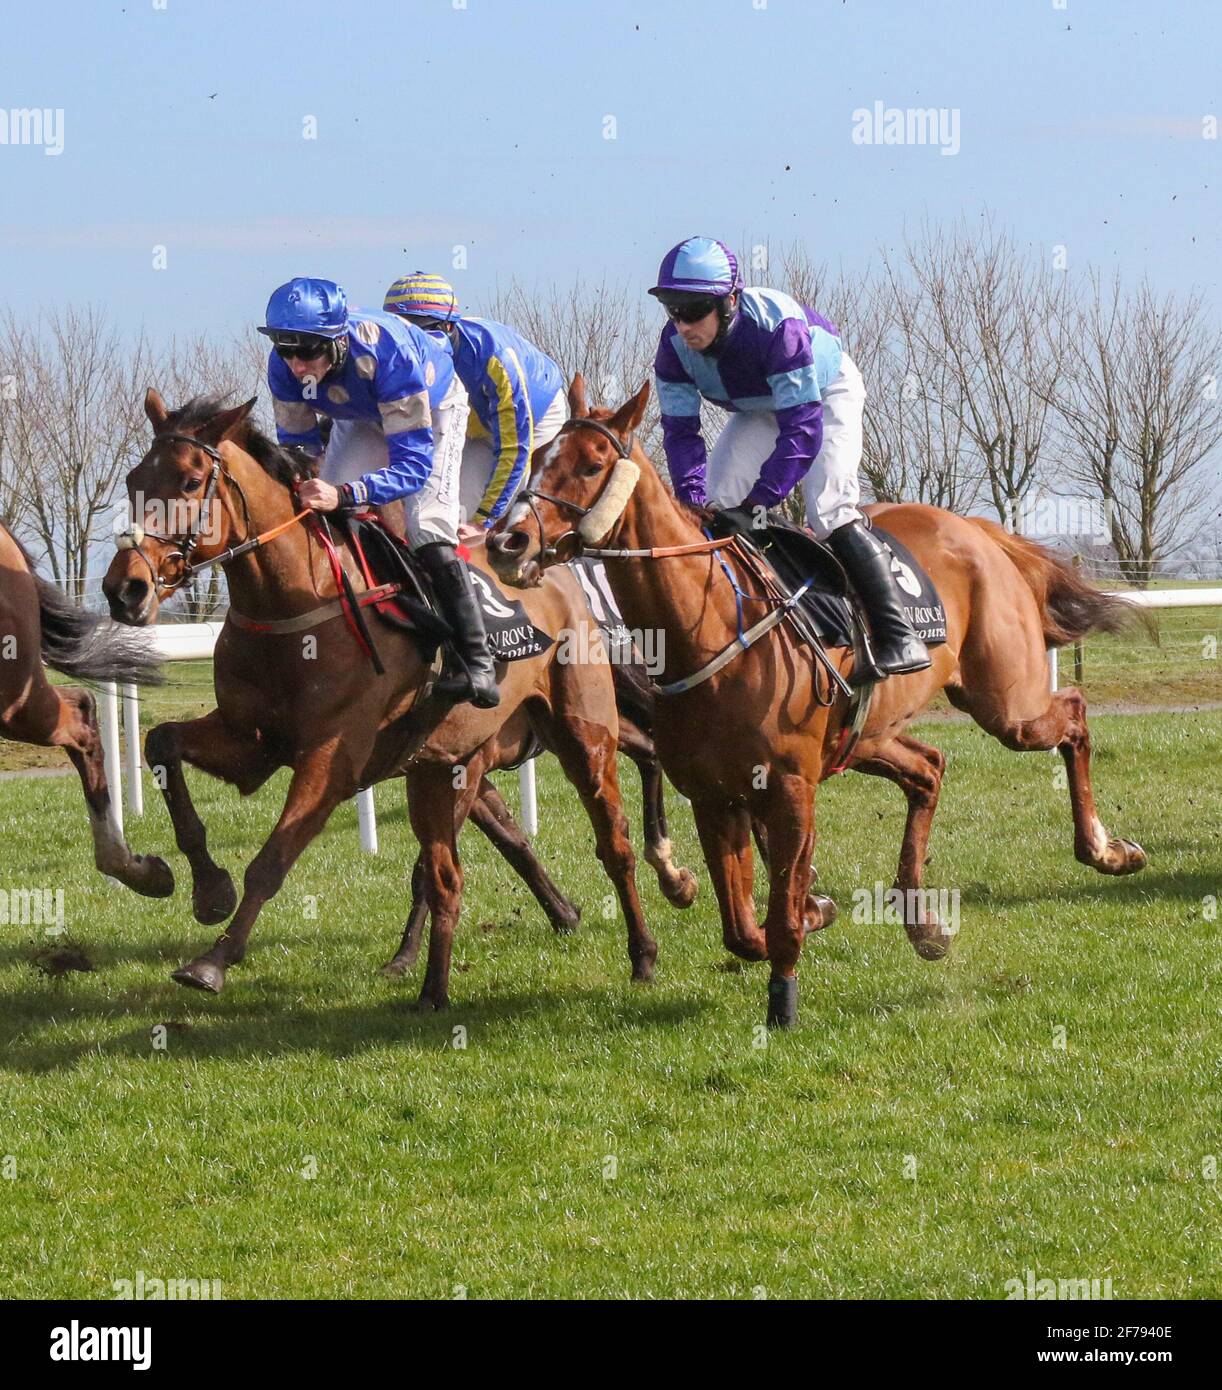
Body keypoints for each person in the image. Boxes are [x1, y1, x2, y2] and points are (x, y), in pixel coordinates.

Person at [650, 236, 929, 683]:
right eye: (672, 309)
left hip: (823, 393)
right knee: (716, 509)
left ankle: (900, 634)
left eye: (693, 309)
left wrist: (760, 504)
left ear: (730, 303)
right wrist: (693, 499)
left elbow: (801, 430)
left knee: (827, 509)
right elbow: (681, 434)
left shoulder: (779, 330)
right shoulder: (673, 349)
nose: (682, 325)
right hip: (758, 408)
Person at [258, 276, 499, 707]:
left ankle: (477, 664)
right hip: (361, 413)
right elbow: (299, 454)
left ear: (337, 339)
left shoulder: (388, 354)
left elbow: (412, 467)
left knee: (426, 526)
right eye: (285, 348)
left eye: (308, 350)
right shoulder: (284, 369)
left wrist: (345, 493)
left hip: (433, 409)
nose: (296, 364)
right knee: (315, 511)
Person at [383, 272, 565, 531]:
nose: (413, 347)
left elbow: (514, 449)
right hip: (475, 424)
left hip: (536, 419)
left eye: (420, 334)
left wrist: (484, 522)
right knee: (451, 513)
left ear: (448, 327)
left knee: (516, 516)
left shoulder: (495, 359)